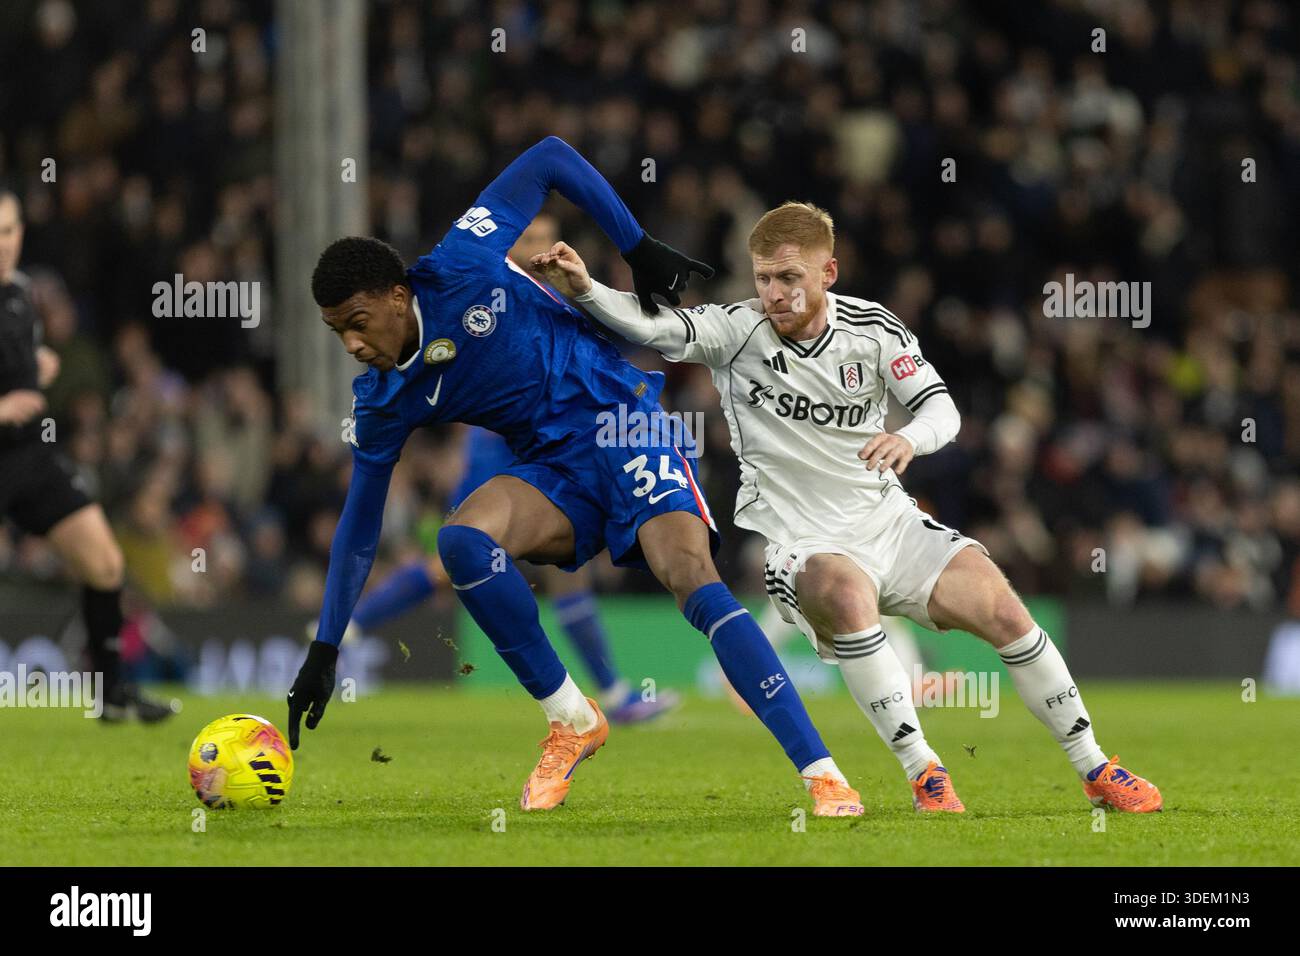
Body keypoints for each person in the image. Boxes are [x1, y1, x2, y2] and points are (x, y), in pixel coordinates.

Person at [287, 139, 864, 816]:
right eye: (337, 334)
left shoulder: (460, 264)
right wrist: (327, 644)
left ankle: (823, 775)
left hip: (621, 421)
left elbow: (551, 158)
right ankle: (573, 718)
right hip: (551, 470)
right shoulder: (381, 400)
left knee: (689, 578)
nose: (353, 344)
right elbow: (359, 525)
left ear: (396, 294)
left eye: (358, 323)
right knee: (462, 543)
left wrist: (637, 244)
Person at [530, 200, 1163, 814]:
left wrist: (907, 438)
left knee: (1003, 608)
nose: (774, 292)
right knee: (847, 593)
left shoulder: (874, 330)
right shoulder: (736, 330)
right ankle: (926, 773)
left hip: (887, 521)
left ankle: (1095, 766)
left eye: (789, 277)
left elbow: (943, 409)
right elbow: (652, 326)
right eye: (764, 278)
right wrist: (586, 288)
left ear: (827, 272)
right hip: (799, 540)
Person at [348, 213, 679, 724]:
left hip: (560, 449)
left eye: (546, 238)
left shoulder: (566, 290)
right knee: (450, 562)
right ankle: (352, 626)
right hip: (499, 453)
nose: (539, 248)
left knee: (572, 579)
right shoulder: (483, 290)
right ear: (506, 246)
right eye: (527, 239)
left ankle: (611, 695)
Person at [0, 189, 178, 722]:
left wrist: (37, 367)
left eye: (8, 231)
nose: (2, 243)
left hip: (28, 458)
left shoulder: (20, 294)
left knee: (103, 564)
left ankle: (111, 694)